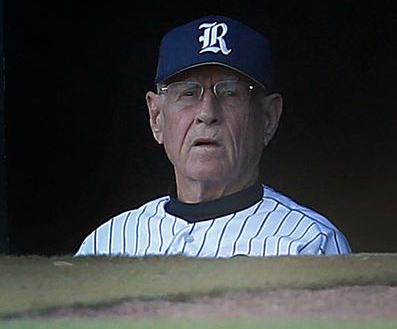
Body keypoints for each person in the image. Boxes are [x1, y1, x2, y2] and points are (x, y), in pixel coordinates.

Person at [76, 15, 350, 257]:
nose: (207, 113)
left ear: (268, 118)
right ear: (156, 117)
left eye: (230, 92)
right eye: (187, 93)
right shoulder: (107, 245)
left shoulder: (309, 244)